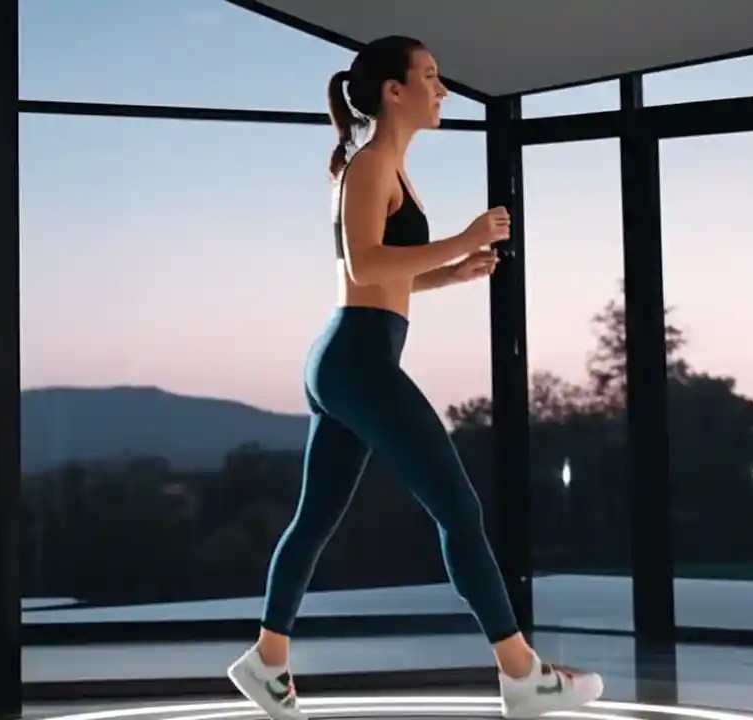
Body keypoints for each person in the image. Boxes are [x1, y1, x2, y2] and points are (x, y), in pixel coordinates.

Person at [226, 35, 604, 720]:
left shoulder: (384, 166)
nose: (443, 88)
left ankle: (266, 661)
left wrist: (450, 273)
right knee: (458, 511)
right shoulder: (371, 165)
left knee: (314, 521)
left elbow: (382, 278)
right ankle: (523, 675)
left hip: (352, 357)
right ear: (394, 90)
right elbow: (365, 267)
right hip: (359, 362)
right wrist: (462, 238)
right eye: (429, 76)